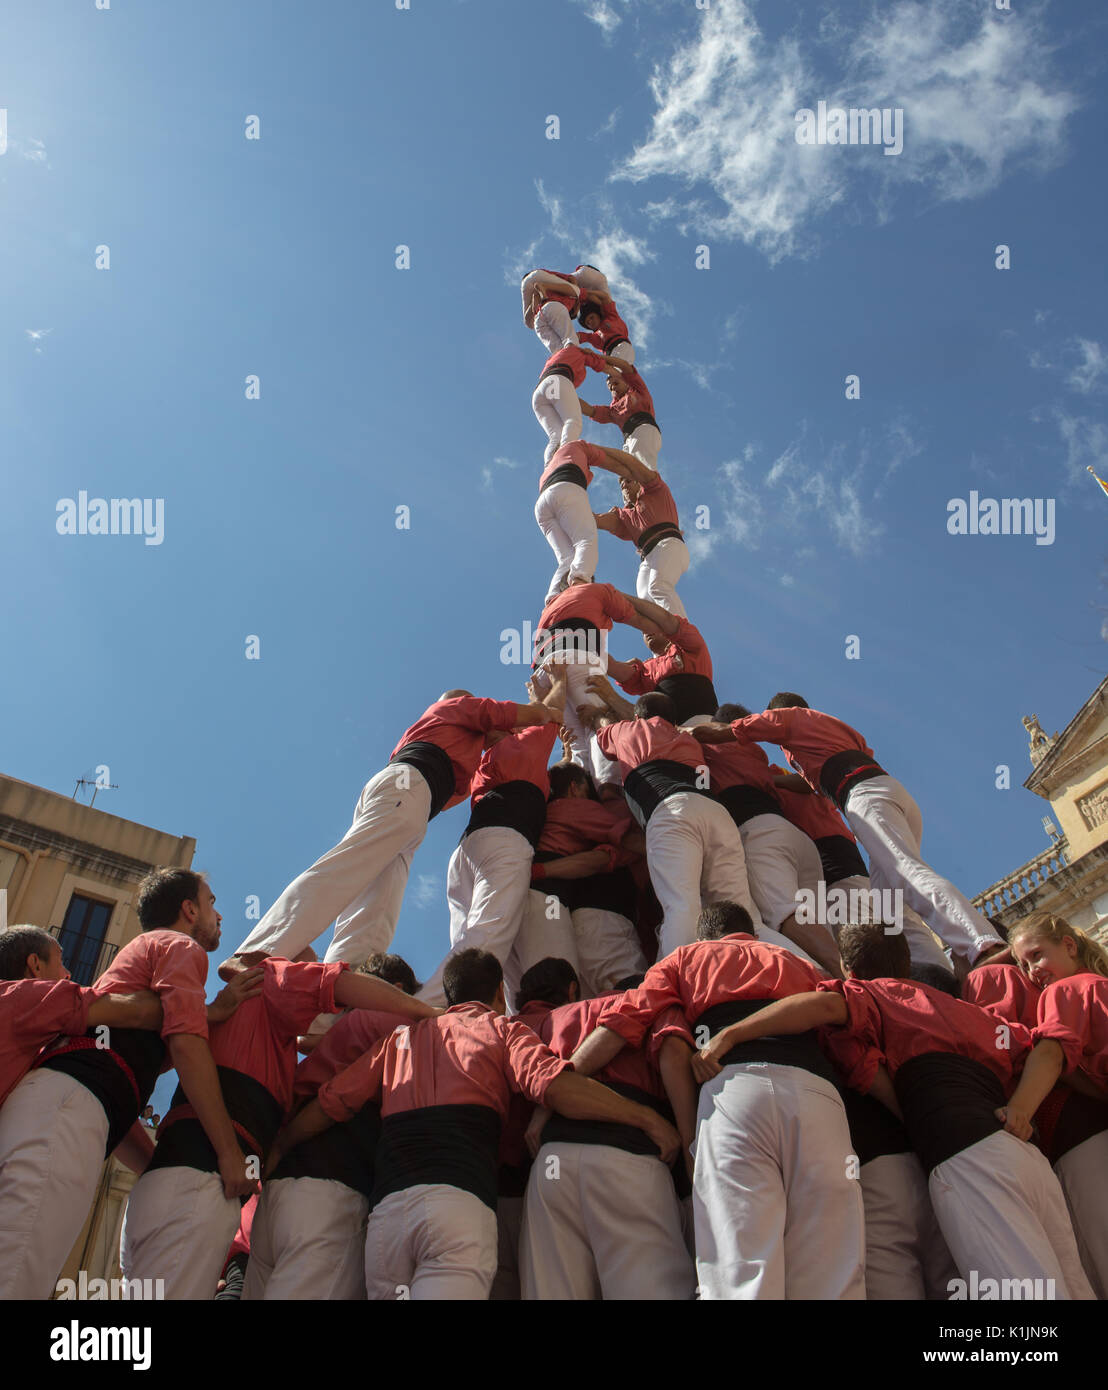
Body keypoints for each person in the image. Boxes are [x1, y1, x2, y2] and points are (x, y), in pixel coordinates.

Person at [694, 921, 1095, 1300]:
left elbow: (819, 1010)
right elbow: (1048, 1049)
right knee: (1076, 1288)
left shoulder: (876, 996)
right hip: (1026, 1157)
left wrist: (732, 1033)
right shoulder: (971, 1012)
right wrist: (1021, 1110)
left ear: (849, 971)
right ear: (907, 962)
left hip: (967, 1155)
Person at [265, 949, 680, 1300]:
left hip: (386, 1220)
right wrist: (643, 1116)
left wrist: (282, 1144)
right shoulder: (499, 1029)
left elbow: (333, 1101)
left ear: (447, 995)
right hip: (456, 1208)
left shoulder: (397, 1042)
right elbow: (555, 1088)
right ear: (500, 993)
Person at [570, 903, 864, 1299]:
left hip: (733, 1093)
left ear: (705, 937)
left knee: (740, 1270)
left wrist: (564, 1081)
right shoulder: (795, 962)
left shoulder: (686, 958)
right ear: (753, 936)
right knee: (832, 1269)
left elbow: (623, 1021)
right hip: (815, 1093)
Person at [122, 946, 437, 1300]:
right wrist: (435, 1013)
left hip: (238, 1198)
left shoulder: (283, 1042)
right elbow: (339, 994)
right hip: (307, 1191)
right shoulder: (276, 982)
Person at [0, 872, 256, 1300]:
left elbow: (116, 1091)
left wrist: (155, 1169)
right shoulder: (180, 945)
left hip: (61, 1107)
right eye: (211, 902)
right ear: (189, 910)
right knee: (18, 1267)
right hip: (67, 1108)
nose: (220, 914)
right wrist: (229, 1153)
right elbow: (187, 1042)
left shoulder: (143, 962)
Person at [235, 691, 561, 971]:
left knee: (375, 914)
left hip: (409, 800)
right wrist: (539, 711)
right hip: (409, 789)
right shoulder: (458, 707)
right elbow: (536, 714)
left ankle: (331, 1011)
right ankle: (264, 948)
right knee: (343, 871)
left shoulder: (444, 736)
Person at [690, 695, 1003, 973]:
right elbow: (811, 782)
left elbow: (736, 729)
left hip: (863, 798)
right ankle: (937, 974)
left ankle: (980, 942)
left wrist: (685, 732)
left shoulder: (791, 718)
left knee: (907, 872)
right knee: (893, 907)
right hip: (888, 791)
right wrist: (775, 782)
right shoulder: (832, 729)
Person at [244, 957, 423, 1301]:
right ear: (396, 991)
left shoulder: (337, 1034)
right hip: (332, 1192)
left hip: (278, 1196)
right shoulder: (395, 1023)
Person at [518, 983, 696, 1300]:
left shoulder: (552, 1020)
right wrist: (689, 1148)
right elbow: (673, 1056)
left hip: (551, 1165)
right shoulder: (655, 1004)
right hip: (625, 1159)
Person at [585, 692, 766, 958]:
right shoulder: (686, 736)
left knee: (681, 906)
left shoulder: (628, 730)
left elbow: (603, 732)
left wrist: (596, 715)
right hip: (716, 812)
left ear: (637, 717)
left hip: (671, 811)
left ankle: (675, 990)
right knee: (739, 913)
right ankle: (771, 972)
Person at [420, 679, 564, 1006]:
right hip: (503, 842)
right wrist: (559, 677)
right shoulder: (520, 745)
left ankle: (487, 1021)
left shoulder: (483, 765)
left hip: (466, 854)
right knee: (487, 938)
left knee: (477, 943)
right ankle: (426, 1008)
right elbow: (550, 713)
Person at [998, 914, 1108, 1297]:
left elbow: (1050, 1053)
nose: (1031, 971)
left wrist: (1019, 1111)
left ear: (1070, 945)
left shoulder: (1064, 992)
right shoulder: (1099, 984)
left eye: (1037, 955)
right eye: (1023, 965)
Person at [701, 704, 834, 974]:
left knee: (784, 917)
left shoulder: (711, 746)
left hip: (759, 834)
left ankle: (849, 983)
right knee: (818, 923)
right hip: (795, 838)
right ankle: (844, 979)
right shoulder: (756, 751)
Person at [521, 763, 647, 995]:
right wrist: (667, 842)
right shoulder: (576, 808)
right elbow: (625, 836)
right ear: (574, 788)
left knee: (565, 985)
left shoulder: (548, 811)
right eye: (588, 793)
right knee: (559, 976)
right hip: (551, 897)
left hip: (549, 900)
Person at [532, 581, 664, 795]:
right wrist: (667, 632)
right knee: (597, 724)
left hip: (544, 669)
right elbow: (636, 618)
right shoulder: (597, 590)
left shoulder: (550, 607)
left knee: (575, 742)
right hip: (574, 657)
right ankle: (609, 788)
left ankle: (585, 797)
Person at [534, 441, 667, 605]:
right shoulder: (578, 446)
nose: (623, 484)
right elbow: (614, 463)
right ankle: (579, 582)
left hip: (542, 505)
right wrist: (635, 471)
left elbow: (585, 518)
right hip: (566, 489)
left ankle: (553, 598)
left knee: (567, 558)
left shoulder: (549, 467)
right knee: (585, 540)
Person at [594, 450, 688, 616]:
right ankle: (663, 638)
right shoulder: (625, 516)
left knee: (658, 586)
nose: (624, 484)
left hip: (668, 544)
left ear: (639, 481)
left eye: (628, 480)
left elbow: (635, 466)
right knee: (646, 602)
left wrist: (594, 453)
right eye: (621, 484)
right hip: (649, 557)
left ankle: (682, 634)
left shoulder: (655, 490)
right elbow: (594, 520)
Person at [603, 600, 717, 728]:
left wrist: (614, 597)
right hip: (669, 736)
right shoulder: (645, 670)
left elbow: (667, 618)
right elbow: (610, 666)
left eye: (649, 626)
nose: (646, 632)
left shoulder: (690, 647)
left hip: (704, 725)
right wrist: (582, 627)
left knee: (656, 588)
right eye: (642, 631)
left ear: (664, 629)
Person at [531, 342, 609, 468]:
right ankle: (563, 460)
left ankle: (548, 467)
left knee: (556, 435)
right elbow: (603, 366)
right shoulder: (578, 352)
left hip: (538, 393)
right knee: (572, 421)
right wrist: (622, 376)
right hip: (557, 380)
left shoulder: (555, 355)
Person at [580, 357, 661, 471]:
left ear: (625, 381)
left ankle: (651, 486)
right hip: (629, 439)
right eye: (610, 387)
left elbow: (625, 366)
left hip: (643, 429)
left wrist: (596, 357)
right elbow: (590, 410)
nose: (612, 386)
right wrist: (565, 395)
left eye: (615, 382)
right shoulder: (613, 410)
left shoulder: (638, 390)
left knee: (644, 468)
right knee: (628, 473)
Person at [520, 268, 580, 354]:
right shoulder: (568, 297)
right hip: (537, 277)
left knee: (530, 324)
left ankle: (537, 297)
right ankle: (543, 287)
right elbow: (572, 278)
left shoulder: (564, 296)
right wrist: (578, 296)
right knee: (577, 291)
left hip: (527, 286)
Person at [576, 288, 633, 365]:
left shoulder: (611, 317)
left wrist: (584, 292)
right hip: (610, 357)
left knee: (617, 371)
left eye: (591, 317)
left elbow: (605, 297)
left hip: (621, 347)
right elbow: (573, 336)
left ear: (598, 315)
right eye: (587, 323)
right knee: (615, 376)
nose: (590, 322)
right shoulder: (593, 337)